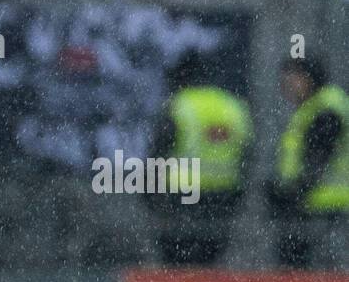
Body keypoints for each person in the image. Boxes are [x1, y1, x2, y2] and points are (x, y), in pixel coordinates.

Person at [145, 52, 252, 265]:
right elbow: (247, 154)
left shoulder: (180, 105)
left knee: (177, 262)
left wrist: (149, 194)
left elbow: (159, 151)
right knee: (209, 261)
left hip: (182, 197)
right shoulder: (233, 106)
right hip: (223, 197)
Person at [269, 55, 349, 267]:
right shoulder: (317, 107)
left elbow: (318, 158)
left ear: (309, 78)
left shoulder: (325, 108)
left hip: (327, 207)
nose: (287, 88)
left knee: (319, 272)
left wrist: (291, 194)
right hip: (318, 206)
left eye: (292, 80)